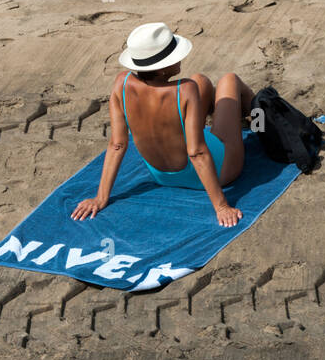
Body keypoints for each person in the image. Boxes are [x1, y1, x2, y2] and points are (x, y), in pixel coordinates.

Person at [70, 22, 253, 227]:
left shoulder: (121, 83)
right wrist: (221, 206)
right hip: (219, 172)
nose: (180, 57)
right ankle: (259, 119)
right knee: (229, 80)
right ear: (160, 70)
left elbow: (117, 144)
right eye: (174, 55)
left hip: (162, 176)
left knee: (201, 80)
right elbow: (197, 153)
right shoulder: (185, 89)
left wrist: (100, 197)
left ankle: (226, 114)